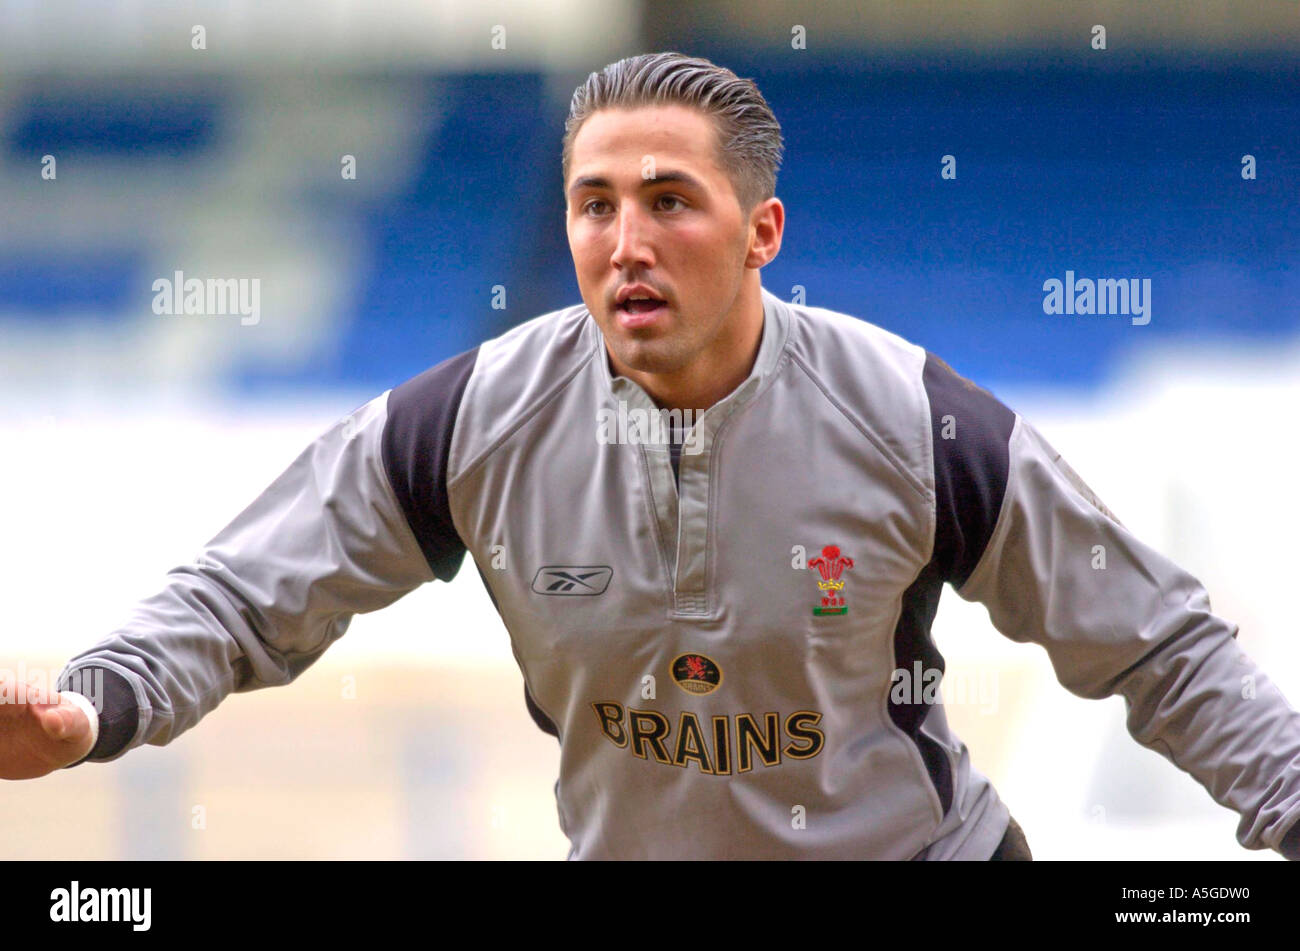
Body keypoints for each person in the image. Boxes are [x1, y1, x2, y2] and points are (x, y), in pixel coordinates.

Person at [3, 51, 1298, 861]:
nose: (626, 240)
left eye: (671, 201)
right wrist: (96, 706)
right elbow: (242, 593)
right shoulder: (466, 425)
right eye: (593, 203)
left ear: (761, 231)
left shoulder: (921, 425)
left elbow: (1158, 647)